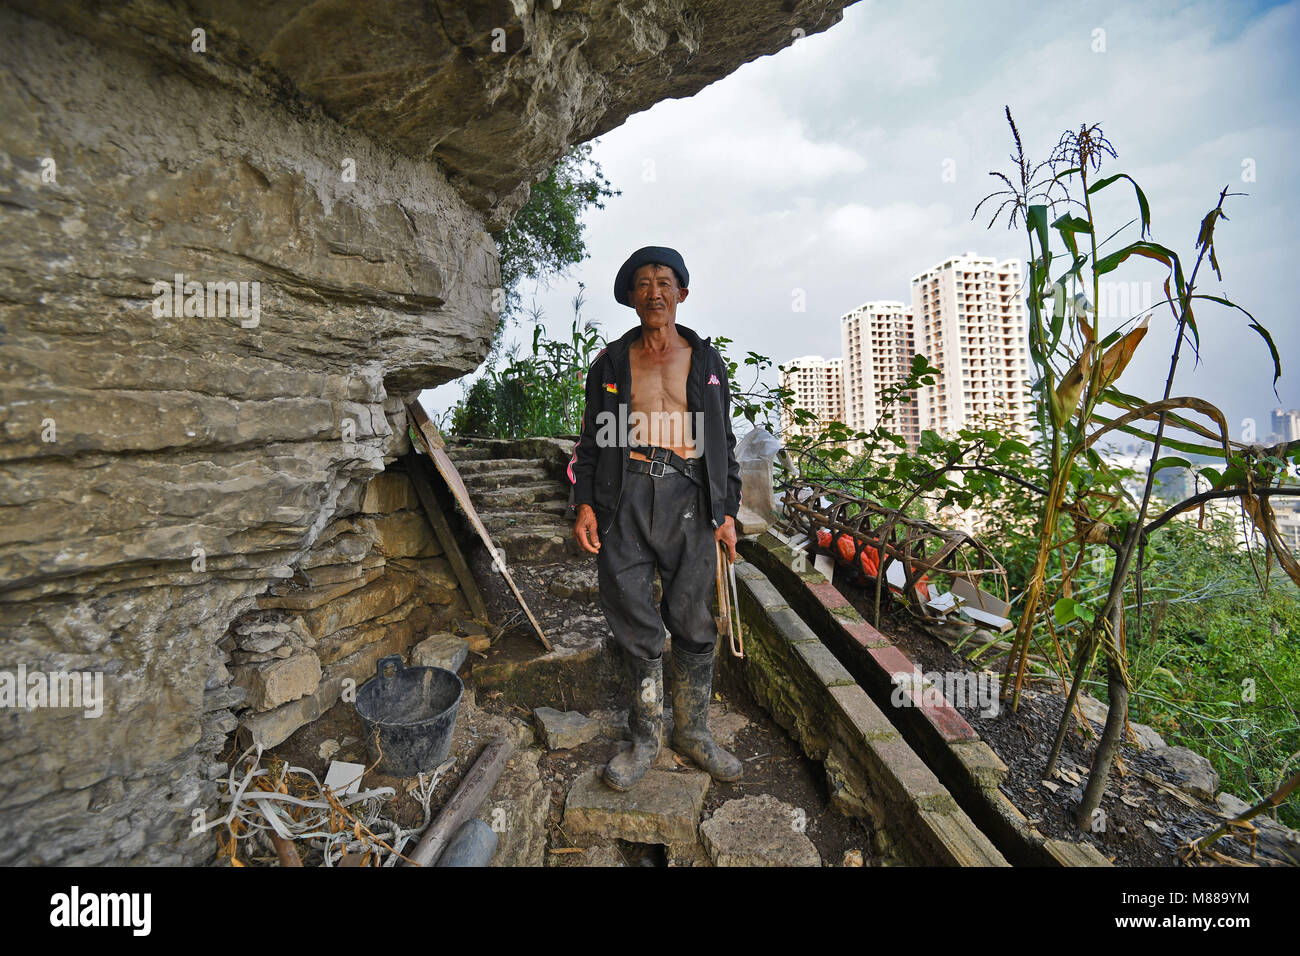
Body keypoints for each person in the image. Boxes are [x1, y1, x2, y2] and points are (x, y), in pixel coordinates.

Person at [566, 245, 743, 792]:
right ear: (631, 298)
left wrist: (727, 512)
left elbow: (722, 443)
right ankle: (646, 736)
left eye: (664, 282)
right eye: (643, 283)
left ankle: (692, 732)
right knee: (632, 612)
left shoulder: (707, 362)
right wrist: (585, 505)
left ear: (681, 293)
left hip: (689, 498)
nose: (654, 292)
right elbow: (592, 441)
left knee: (691, 613)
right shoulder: (613, 363)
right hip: (626, 494)